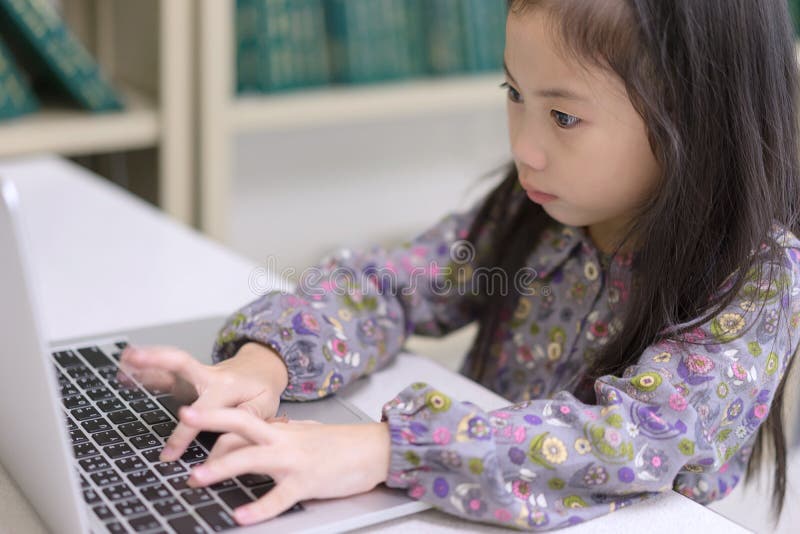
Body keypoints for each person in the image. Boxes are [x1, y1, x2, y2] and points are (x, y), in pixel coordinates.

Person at [120, 0, 800, 529]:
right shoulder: (531, 211)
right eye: (514, 93)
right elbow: (389, 285)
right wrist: (263, 362)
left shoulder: (758, 280)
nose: (526, 148)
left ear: (696, 115)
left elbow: (631, 442)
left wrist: (384, 450)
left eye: (563, 117)